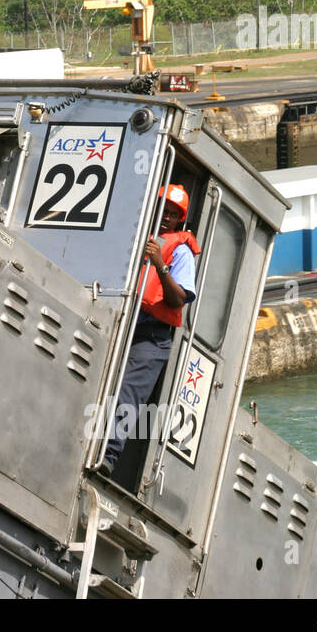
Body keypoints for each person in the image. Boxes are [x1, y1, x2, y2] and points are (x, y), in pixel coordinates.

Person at [102, 183, 200, 475]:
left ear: (179, 219)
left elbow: (178, 299)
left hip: (152, 336)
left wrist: (160, 264)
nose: (166, 217)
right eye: (164, 210)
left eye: (173, 214)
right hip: (124, 322)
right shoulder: (137, 235)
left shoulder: (180, 252)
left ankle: (108, 455)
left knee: (127, 394)